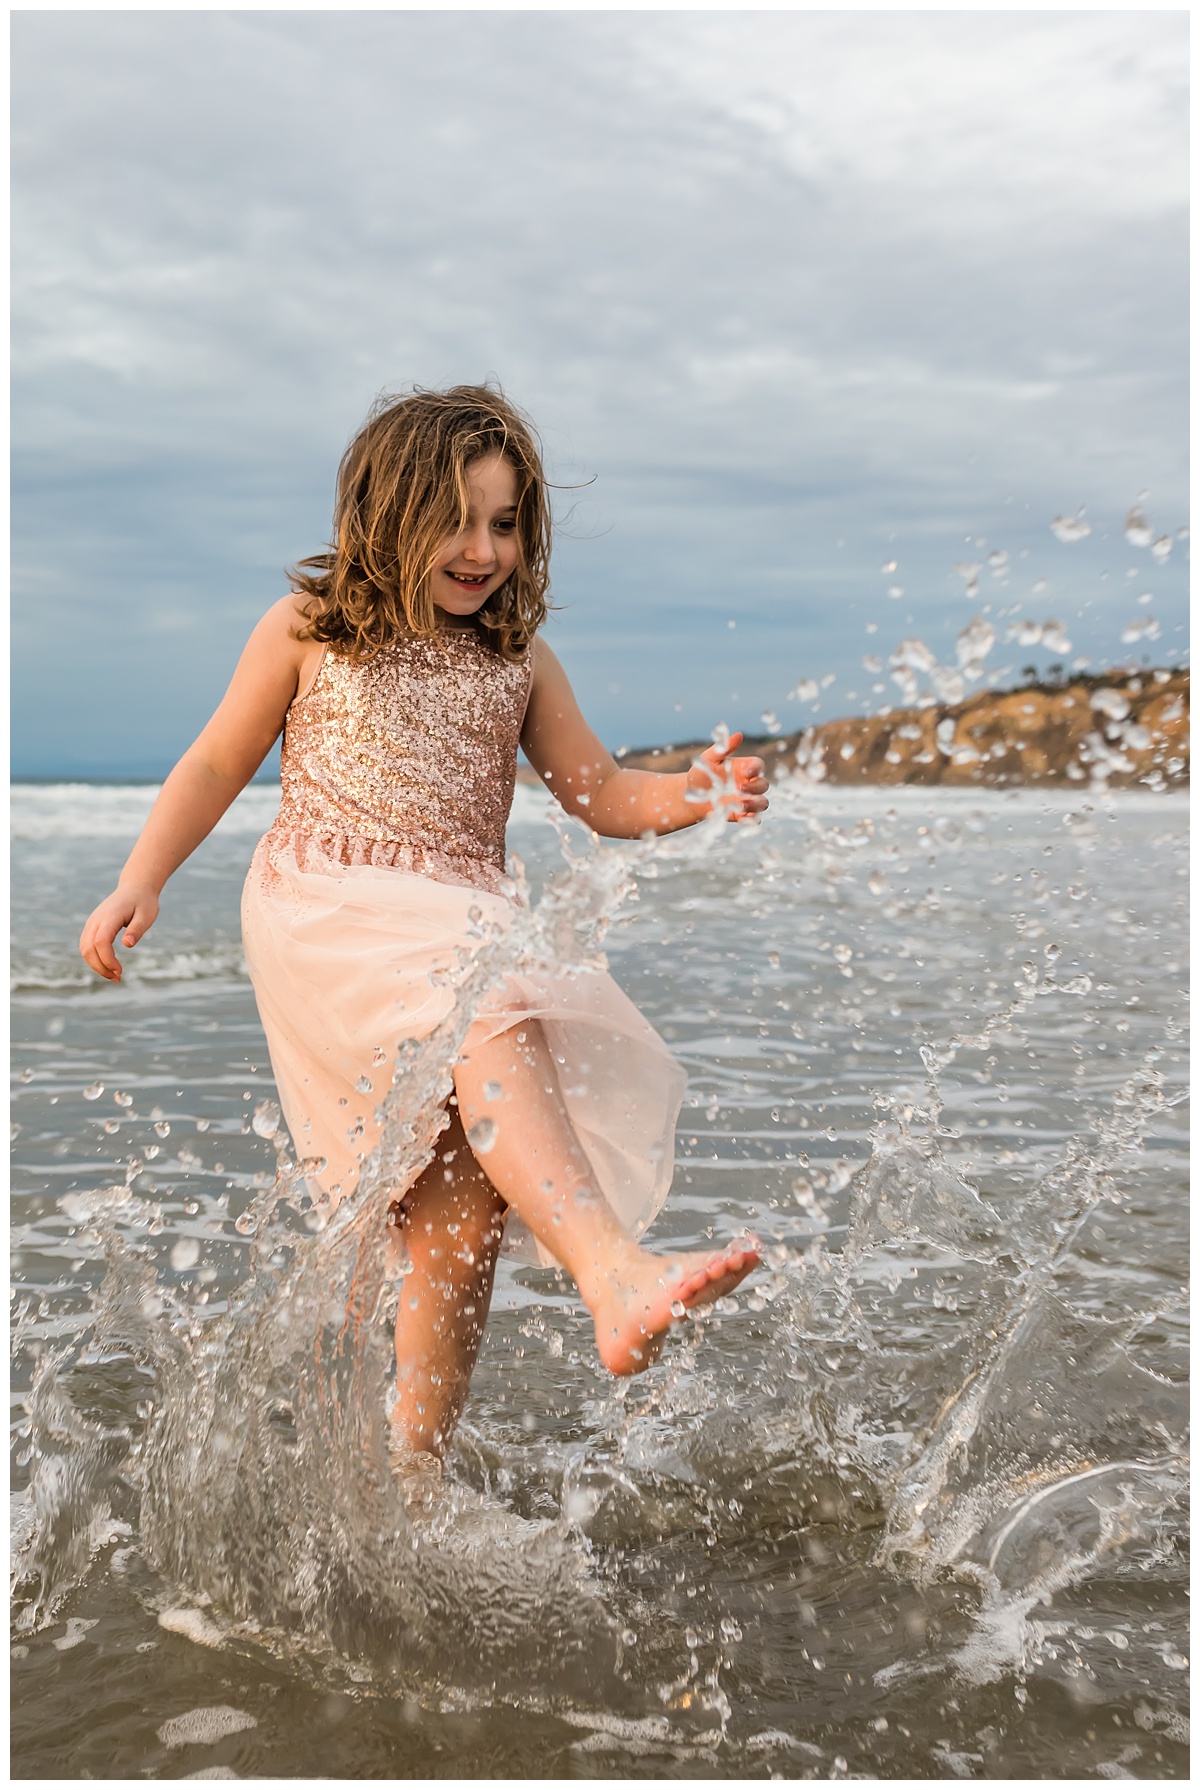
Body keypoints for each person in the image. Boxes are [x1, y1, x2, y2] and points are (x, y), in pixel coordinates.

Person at [79, 385, 766, 1464]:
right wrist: (141, 877)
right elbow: (217, 759)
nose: (482, 548)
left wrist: (696, 791)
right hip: (327, 899)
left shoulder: (519, 662)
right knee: (491, 990)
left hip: (456, 905)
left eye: (504, 523)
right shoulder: (308, 629)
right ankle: (614, 1272)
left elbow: (602, 793)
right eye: (457, 519)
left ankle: (411, 1475)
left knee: (456, 1208)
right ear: (384, 512)